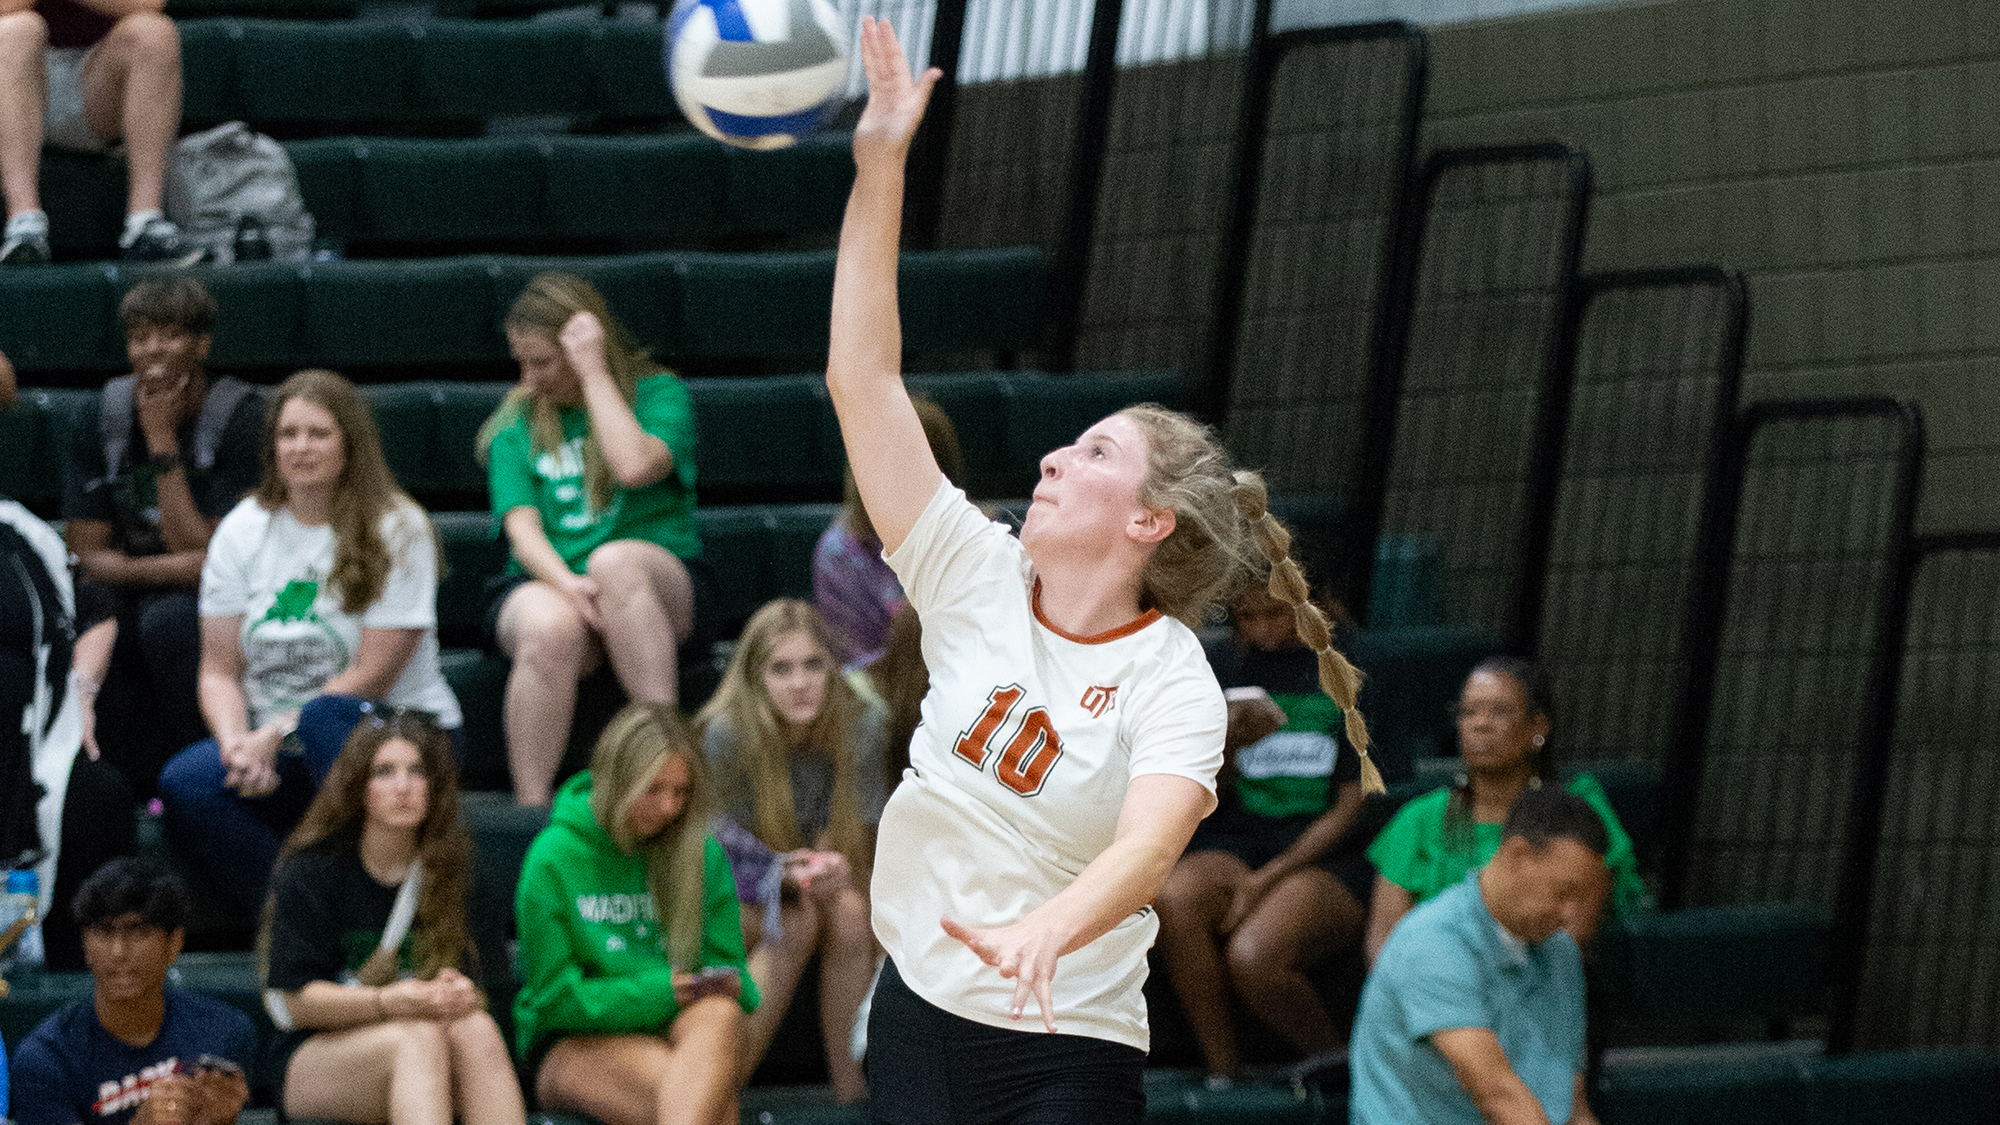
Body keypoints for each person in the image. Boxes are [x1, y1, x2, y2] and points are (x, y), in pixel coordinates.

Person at [829, 20, 1379, 1123]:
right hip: (923, 1011)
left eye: (1092, 452)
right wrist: (879, 167)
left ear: (1145, 522)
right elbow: (861, 378)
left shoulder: (1170, 677)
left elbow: (1146, 852)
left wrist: (1048, 929)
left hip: (1066, 1040)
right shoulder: (971, 573)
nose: (1049, 457)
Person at [158, 369, 461, 917]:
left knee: (325, 716)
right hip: (281, 745)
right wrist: (237, 744)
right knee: (186, 782)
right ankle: (298, 918)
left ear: (350, 445)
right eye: (288, 434)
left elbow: (372, 676)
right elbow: (218, 672)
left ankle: (381, 908)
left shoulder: (398, 526)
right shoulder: (243, 529)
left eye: (318, 434)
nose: (300, 448)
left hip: (396, 732)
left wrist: (272, 733)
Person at [477, 272, 707, 807]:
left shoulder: (658, 393)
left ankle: (666, 756)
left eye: (543, 362)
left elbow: (633, 466)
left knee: (614, 563)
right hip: (553, 578)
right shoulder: (515, 423)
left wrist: (595, 374)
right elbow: (522, 531)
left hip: (656, 582)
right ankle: (531, 810)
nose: (529, 378)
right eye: (521, 362)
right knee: (549, 625)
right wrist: (568, 586)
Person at [259, 711, 523, 1125]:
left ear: (434, 787)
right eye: (384, 772)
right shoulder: (311, 871)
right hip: (318, 1054)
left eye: (417, 772)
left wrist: (461, 993)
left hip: (431, 1048)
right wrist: (389, 1001)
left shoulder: (461, 873)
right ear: (358, 786)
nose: (402, 787)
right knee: (415, 1040)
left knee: (477, 1029)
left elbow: (488, 987)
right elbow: (291, 1004)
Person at [1154, 584, 1370, 1080]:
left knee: (1252, 956)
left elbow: (1351, 807)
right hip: (1239, 838)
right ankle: (1223, 1073)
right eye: (1247, 619)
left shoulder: (1350, 669)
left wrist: (1265, 879)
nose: (1264, 632)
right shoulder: (1227, 665)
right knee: (1175, 896)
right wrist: (1227, 747)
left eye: (1275, 615)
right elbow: (1211, 792)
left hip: (1323, 853)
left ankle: (1345, 1071)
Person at [64, 278, 264, 796]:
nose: (153, 350)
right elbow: (86, 550)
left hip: (211, 590)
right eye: (141, 337)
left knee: (169, 623)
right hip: (128, 583)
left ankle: (199, 778)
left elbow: (213, 559)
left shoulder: (243, 417)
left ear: (202, 344)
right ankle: (112, 783)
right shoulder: (97, 414)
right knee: (101, 623)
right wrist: (128, 572)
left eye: (171, 335)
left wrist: (160, 441)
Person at [513, 703, 758, 1125]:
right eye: (653, 789)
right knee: (704, 1098)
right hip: (575, 1044)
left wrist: (726, 984)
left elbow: (732, 973)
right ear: (616, 782)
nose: (668, 807)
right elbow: (554, 1001)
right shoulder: (553, 857)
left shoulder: (702, 854)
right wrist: (659, 991)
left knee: (719, 1016)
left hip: (682, 1030)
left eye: (680, 792)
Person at [695, 598, 884, 1101]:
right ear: (756, 677)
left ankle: (851, 1093)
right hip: (738, 892)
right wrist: (780, 874)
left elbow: (865, 836)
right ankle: (718, 1093)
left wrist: (836, 864)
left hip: (821, 887)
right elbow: (714, 859)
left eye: (812, 665)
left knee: (848, 911)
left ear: (830, 668)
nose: (799, 683)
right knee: (794, 920)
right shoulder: (726, 733)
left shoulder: (860, 722)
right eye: (781, 669)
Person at [1349, 787, 1610, 1125]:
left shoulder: (1561, 952)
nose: (1570, 914)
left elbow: (1571, 1102)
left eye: (1581, 898)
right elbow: (1497, 1095)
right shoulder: (1432, 943)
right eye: (1563, 893)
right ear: (1517, 856)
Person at [1364, 657, 1646, 963]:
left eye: (1500, 712)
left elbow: (1585, 918)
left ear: (1538, 728)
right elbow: (1384, 946)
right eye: (1468, 712)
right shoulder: (1419, 818)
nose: (1480, 724)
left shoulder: (1577, 809)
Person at [11, 857, 256, 1125]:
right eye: (104, 932)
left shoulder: (225, 1032)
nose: (118, 952)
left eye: (137, 932)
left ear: (174, 943)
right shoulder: (47, 1060)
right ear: (85, 945)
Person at [0, 0, 194, 264]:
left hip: (98, 79)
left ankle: (144, 221)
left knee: (154, 32)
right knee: (15, 28)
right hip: (18, 77)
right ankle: (23, 224)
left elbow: (149, 3)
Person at [811, 394, 963, 666]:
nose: (899, 475)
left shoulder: (979, 538)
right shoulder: (841, 551)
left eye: (913, 461)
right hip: (883, 696)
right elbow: (855, 665)